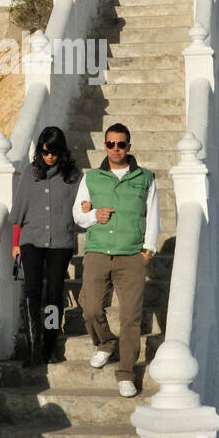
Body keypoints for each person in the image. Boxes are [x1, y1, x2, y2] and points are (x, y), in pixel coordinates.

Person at [73, 122, 159, 397]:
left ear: (129, 147)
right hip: (98, 250)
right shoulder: (91, 178)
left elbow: (153, 214)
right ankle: (106, 342)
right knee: (89, 308)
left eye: (121, 144)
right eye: (110, 143)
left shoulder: (145, 177)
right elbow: (78, 214)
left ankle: (125, 373)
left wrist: (147, 251)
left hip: (131, 254)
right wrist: (92, 215)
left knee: (130, 317)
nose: (115, 149)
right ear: (105, 146)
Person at [10, 125, 82, 367]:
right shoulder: (31, 174)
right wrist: (15, 244)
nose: (48, 156)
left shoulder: (74, 176)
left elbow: (82, 206)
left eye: (53, 151)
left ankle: (49, 345)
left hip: (60, 243)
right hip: (31, 241)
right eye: (44, 151)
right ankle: (33, 345)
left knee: (54, 293)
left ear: (61, 151)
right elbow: (19, 211)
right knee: (32, 291)